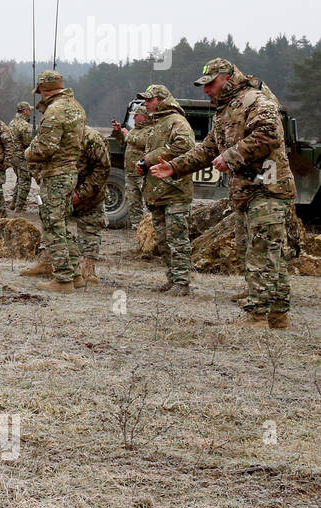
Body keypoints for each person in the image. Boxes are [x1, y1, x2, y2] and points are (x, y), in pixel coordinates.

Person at [152, 59, 296, 328]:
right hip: (247, 192)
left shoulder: (255, 100)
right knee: (258, 251)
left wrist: (231, 156)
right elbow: (206, 151)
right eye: (203, 86)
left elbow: (269, 135)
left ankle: (260, 316)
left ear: (228, 78)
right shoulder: (223, 113)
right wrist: (174, 167)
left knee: (262, 252)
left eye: (211, 84)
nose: (206, 90)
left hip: (268, 188)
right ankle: (276, 315)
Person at [21, 70, 87, 293]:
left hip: (56, 175)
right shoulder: (76, 106)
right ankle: (75, 274)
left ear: (43, 89)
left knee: (52, 225)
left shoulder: (55, 111)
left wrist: (28, 152)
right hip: (70, 173)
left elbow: (45, 148)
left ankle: (62, 279)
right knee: (63, 223)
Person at [134, 84, 195, 294]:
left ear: (161, 99)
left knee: (177, 239)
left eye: (149, 100)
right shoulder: (158, 124)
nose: (146, 104)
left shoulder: (176, 121)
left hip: (175, 192)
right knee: (163, 240)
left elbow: (185, 145)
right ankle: (172, 278)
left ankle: (182, 282)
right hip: (158, 192)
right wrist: (145, 165)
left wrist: (148, 159)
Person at [69, 127, 111, 285]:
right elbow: (37, 161)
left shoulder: (92, 139)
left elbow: (102, 170)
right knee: (53, 227)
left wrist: (81, 194)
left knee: (91, 229)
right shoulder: (53, 135)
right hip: (62, 191)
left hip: (91, 194)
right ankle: (49, 263)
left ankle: (88, 269)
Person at [110, 106, 151, 230]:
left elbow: (145, 143)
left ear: (143, 116)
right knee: (133, 202)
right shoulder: (134, 130)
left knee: (149, 201)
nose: (133, 117)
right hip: (130, 172)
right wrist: (118, 132)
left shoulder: (150, 130)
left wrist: (127, 135)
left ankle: (150, 227)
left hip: (142, 173)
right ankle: (136, 226)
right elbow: (123, 143)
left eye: (136, 115)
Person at [9, 102, 34, 212]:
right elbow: (27, 142)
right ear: (25, 111)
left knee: (19, 180)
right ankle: (19, 207)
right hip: (21, 157)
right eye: (29, 110)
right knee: (25, 181)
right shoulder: (24, 125)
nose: (30, 112)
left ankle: (13, 204)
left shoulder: (12, 122)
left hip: (13, 157)